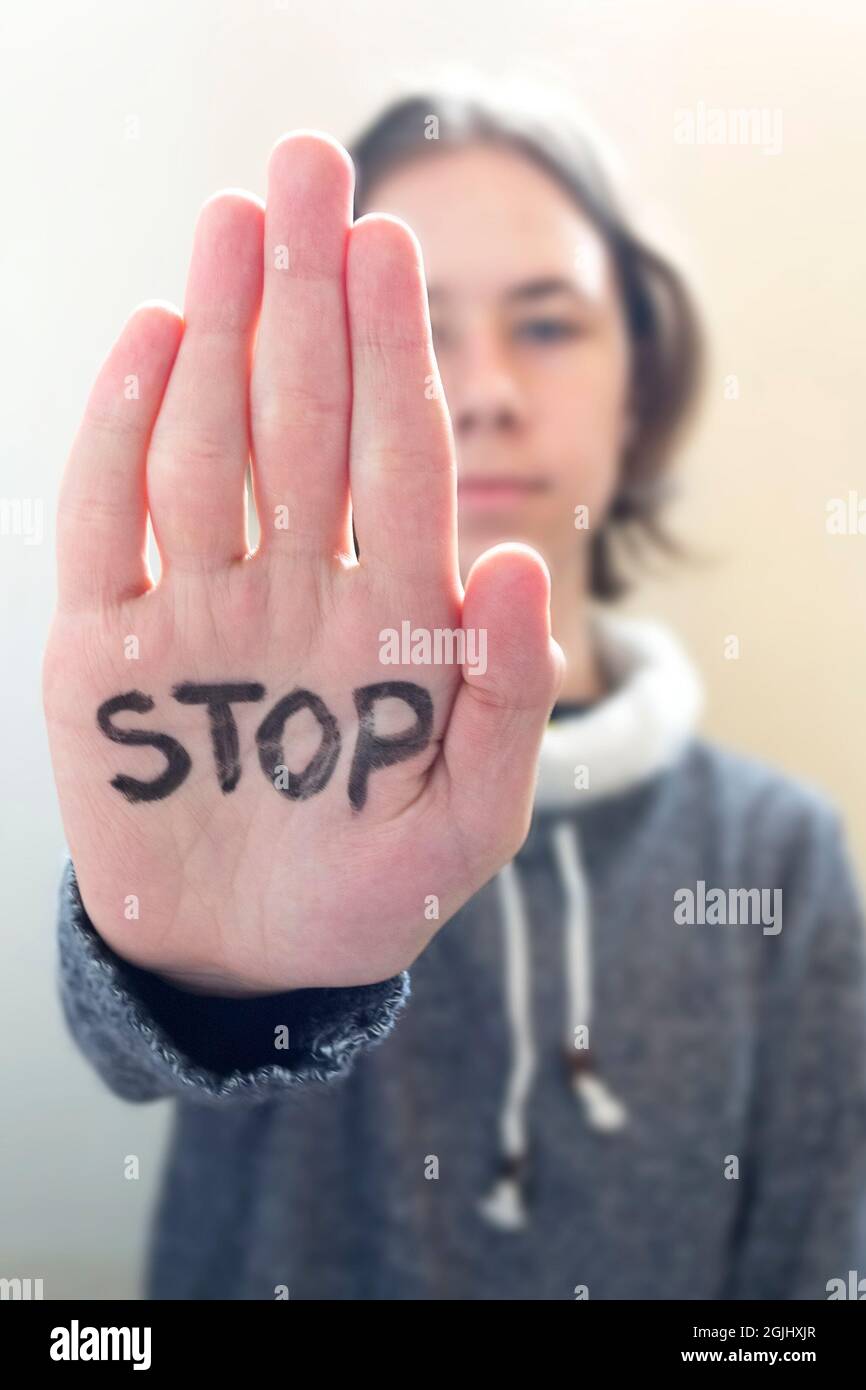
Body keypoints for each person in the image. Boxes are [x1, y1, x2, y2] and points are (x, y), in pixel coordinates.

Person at [45, 80, 866, 1300]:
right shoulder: (272, 763)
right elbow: (129, 1059)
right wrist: (204, 984)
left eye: (546, 325)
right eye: (420, 334)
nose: (480, 388)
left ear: (638, 378)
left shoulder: (773, 851)